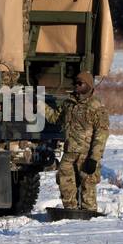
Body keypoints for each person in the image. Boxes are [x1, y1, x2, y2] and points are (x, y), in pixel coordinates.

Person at [45, 72, 109, 212]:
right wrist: (38, 104)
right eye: (75, 83)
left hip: (86, 155)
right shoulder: (69, 103)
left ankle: (89, 214)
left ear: (89, 85)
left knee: (88, 185)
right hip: (70, 152)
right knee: (64, 181)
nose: (76, 86)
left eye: (80, 84)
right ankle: (70, 211)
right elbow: (55, 118)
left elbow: (101, 134)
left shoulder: (96, 106)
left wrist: (94, 158)